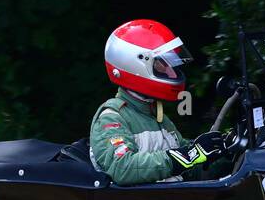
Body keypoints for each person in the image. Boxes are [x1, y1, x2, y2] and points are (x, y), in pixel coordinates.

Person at [89, 19, 224, 185]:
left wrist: (223, 153)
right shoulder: (112, 118)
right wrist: (189, 155)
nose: (172, 73)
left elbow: (189, 167)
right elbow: (122, 168)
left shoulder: (157, 115)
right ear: (135, 65)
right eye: (162, 65)